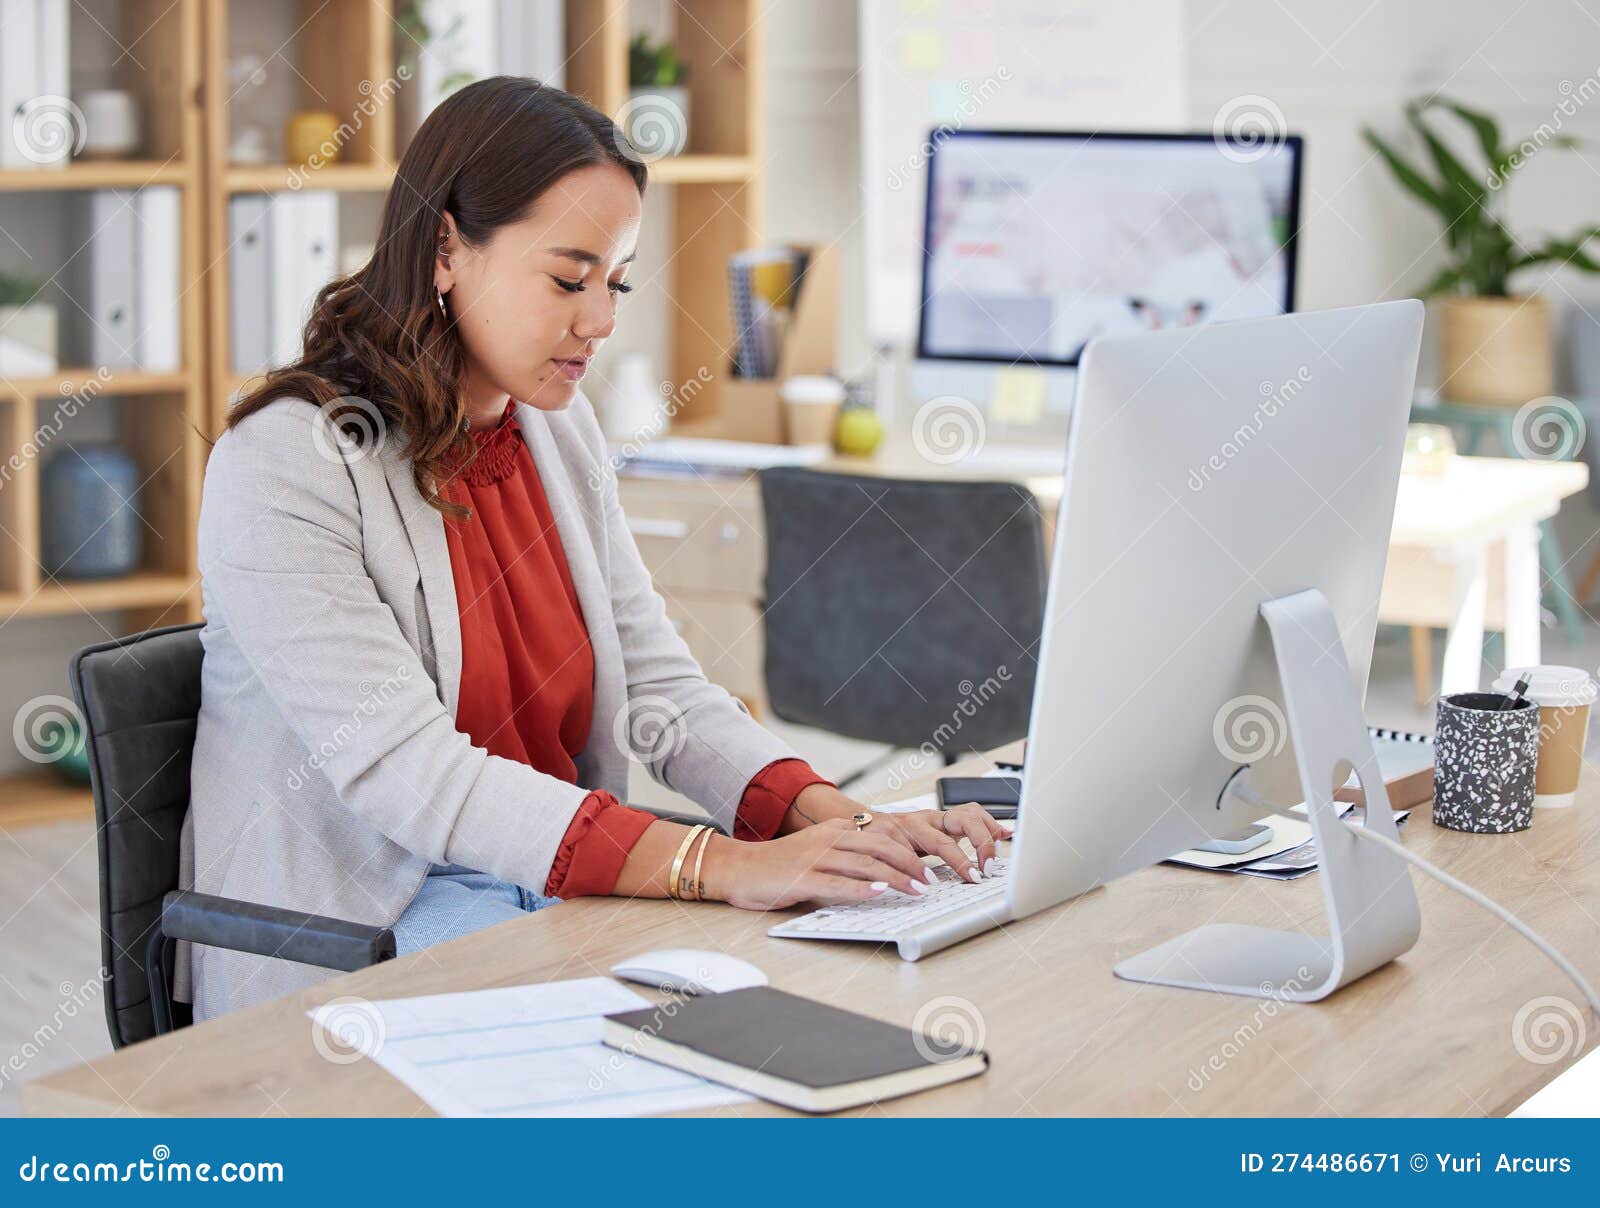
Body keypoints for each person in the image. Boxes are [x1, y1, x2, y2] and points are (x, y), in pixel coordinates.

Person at [182, 77, 1003, 1020]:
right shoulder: (291, 462)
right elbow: (409, 772)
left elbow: (663, 689)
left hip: (541, 883)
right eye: (569, 280)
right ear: (446, 247)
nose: (602, 321)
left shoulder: (552, 431)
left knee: (830, 970)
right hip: (371, 925)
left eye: (615, 282)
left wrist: (846, 823)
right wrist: (722, 864)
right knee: (713, 1024)